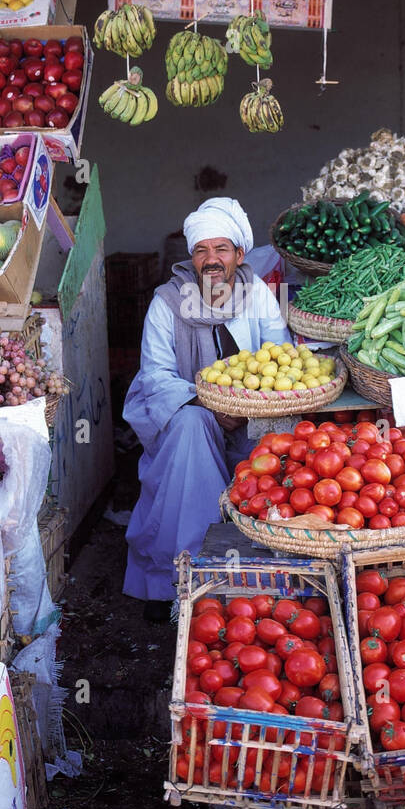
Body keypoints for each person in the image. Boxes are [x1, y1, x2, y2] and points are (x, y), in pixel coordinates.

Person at [122, 197, 291, 619]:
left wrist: (248, 408)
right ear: (192, 258)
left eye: (221, 249)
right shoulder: (167, 302)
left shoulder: (260, 298)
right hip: (192, 419)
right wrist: (208, 404)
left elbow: (283, 360)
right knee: (193, 427)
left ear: (238, 254)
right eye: (201, 250)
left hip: (255, 415)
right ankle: (181, 580)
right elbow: (154, 376)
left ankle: (259, 584)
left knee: (283, 449)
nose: (211, 260)